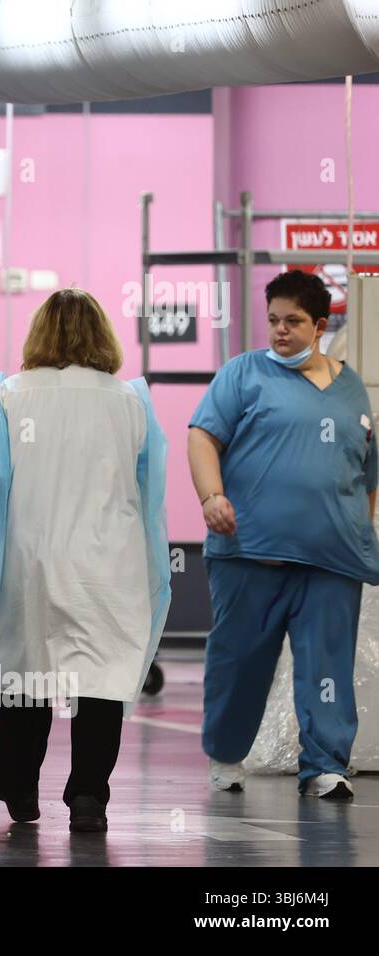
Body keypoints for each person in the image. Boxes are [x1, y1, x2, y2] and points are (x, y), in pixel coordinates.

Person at [0, 289, 171, 833]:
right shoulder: (132, 401)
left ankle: (18, 786)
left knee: (26, 673)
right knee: (102, 679)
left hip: (31, 559)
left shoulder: (12, 396)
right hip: (111, 563)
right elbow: (151, 495)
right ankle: (89, 793)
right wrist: (157, 570)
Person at [188, 269, 379, 800]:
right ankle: (226, 755)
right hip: (251, 552)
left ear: (320, 326)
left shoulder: (350, 387)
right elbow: (203, 436)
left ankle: (325, 764)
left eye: (293, 321)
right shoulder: (243, 374)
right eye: (273, 320)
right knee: (241, 660)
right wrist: (212, 497)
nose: (279, 331)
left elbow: (366, 472)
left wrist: (358, 530)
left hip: (332, 560)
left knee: (327, 666)